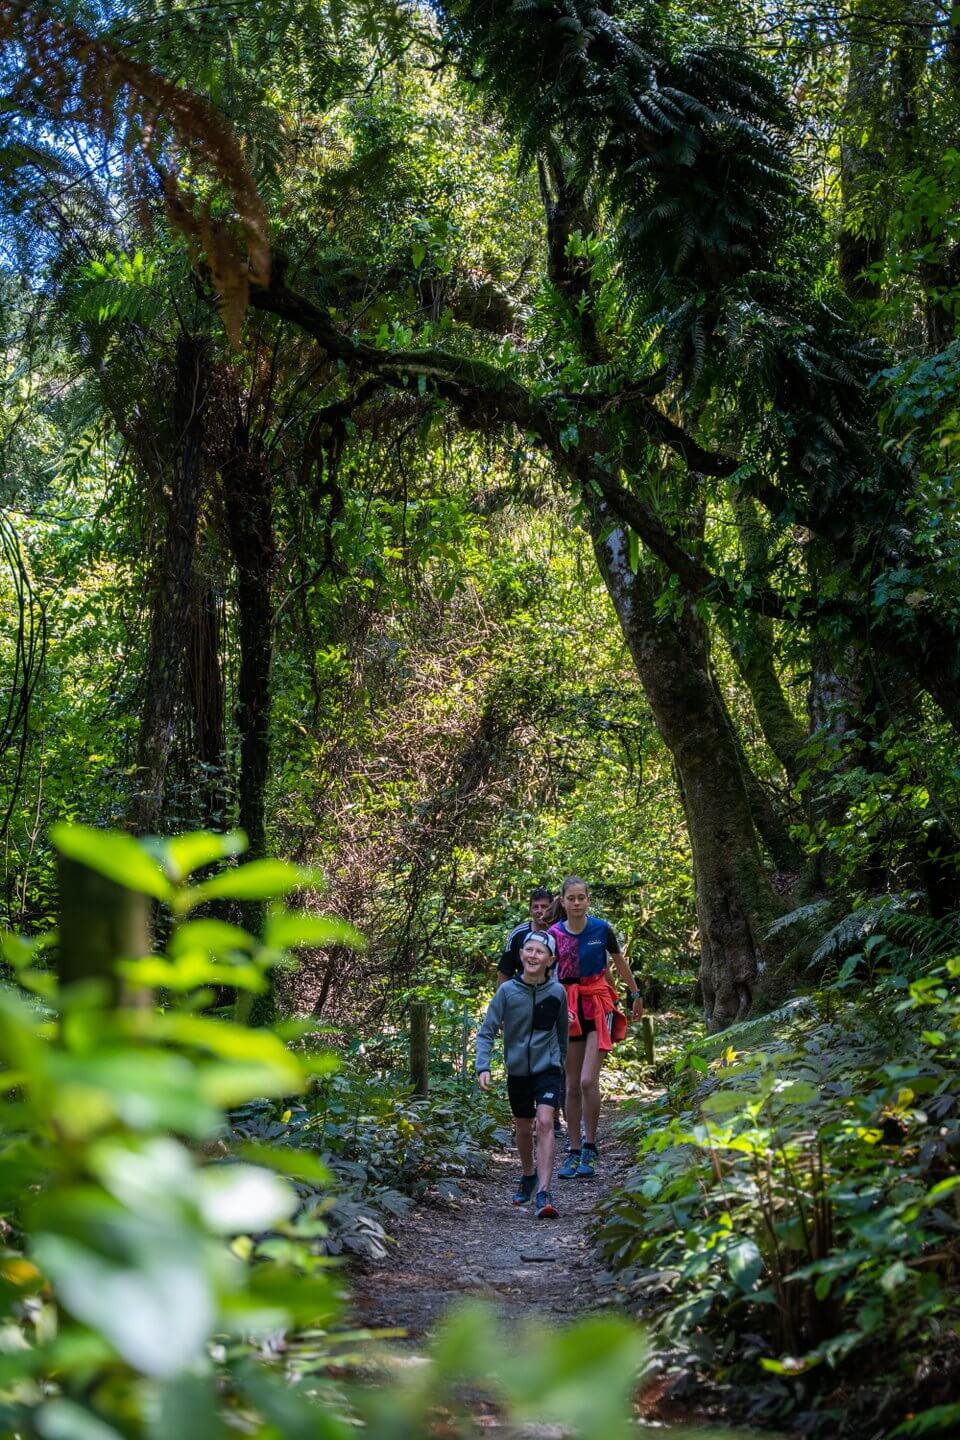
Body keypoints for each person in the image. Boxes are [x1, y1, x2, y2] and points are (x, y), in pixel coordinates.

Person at [549, 876, 642, 1181]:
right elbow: (542, 971)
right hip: (569, 1008)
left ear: (588, 900)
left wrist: (635, 994)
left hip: (598, 1004)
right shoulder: (554, 934)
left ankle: (590, 1145)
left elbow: (620, 963)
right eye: (571, 898)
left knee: (589, 1081)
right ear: (562, 902)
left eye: (582, 898)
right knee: (572, 1084)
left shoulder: (602, 929)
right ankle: (574, 1150)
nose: (577, 903)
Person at [476, 930, 568, 1220]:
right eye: (528, 950)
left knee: (544, 1122)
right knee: (523, 1128)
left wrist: (560, 1065)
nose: (532, 955)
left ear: (550, 959)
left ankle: (544, 1190)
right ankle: (528, 1175)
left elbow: (563, 1034)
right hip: (517, 1071)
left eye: (539, 952)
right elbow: (487, 1031)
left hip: (548, 1069)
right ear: (521, 955)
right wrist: (483, 1066)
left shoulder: (557, 992)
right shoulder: (507, 992)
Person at [497, 887, 554, 985]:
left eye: (544, 906)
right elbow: (504, 972)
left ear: (552, 908)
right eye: (535, 907)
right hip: (522, 991)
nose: (539, 911)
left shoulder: (560, 933)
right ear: (530, 910)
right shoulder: (518, 933)